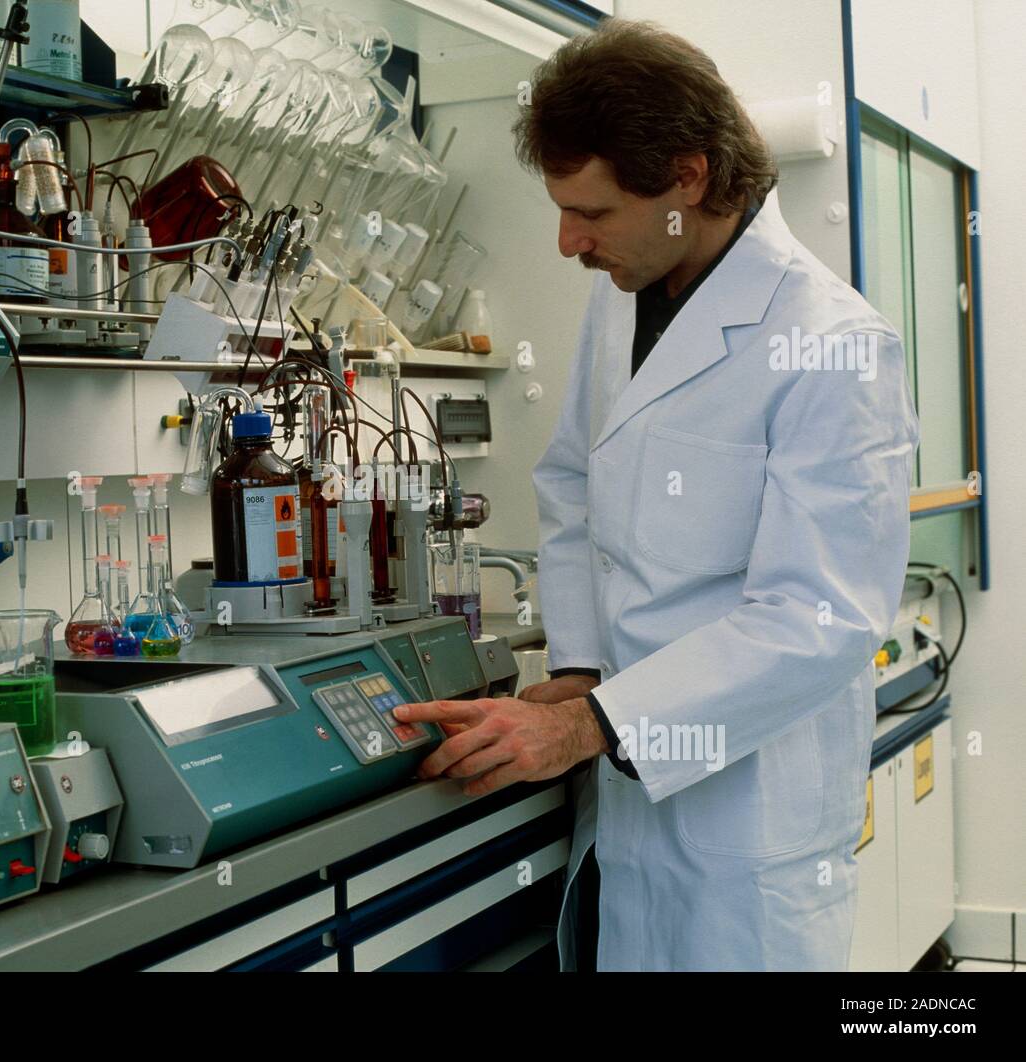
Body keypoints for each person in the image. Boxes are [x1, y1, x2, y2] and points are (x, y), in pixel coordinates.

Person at [392, 19, 919, 971]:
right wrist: (588, 668)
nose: (566, 243)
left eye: (589, 211)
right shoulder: (621, 296)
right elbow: (574, 486)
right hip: (625, 797)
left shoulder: (833, 343)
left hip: (747, 835)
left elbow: (819, 615)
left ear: (688, 177)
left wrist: (586, 727)